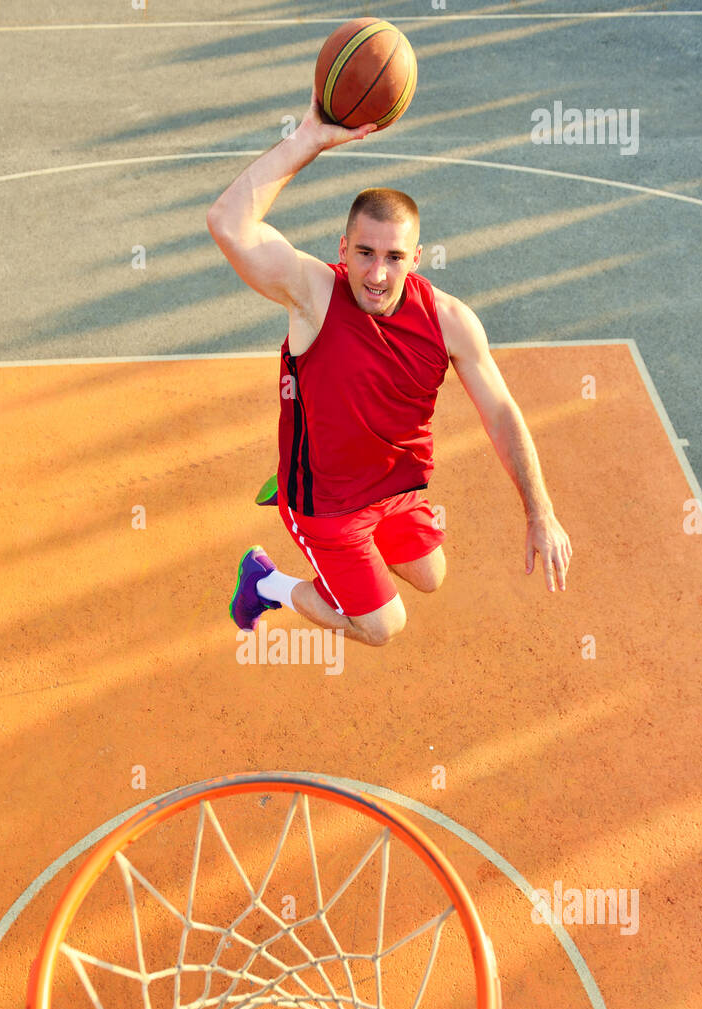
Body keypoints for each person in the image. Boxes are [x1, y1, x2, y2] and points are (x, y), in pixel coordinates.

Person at [207, 90, 572, 646]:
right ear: (343, 248)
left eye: (394, 256)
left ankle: (349, 553)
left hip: (394, 488)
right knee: (382, 626)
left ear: (417, 259)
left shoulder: (450, 321)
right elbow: (228, 222)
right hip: (326, 503)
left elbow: (500, 411)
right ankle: (266, 583)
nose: (377, 273)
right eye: (365, 253)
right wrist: (308, 140)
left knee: (431, 575)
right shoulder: (312, 294)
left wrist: (539, 511)